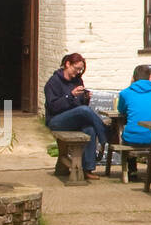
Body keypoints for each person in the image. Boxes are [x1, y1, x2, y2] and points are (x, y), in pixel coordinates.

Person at [44, 52, 108, 180]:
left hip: (73, 119)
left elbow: (80, 105)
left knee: (89, 128)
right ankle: (106, 136)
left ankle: (87, 169)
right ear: (67, 64)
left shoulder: (77, 80)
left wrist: (85, 98)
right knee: (84, 110)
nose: (78, 72)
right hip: (56, 120)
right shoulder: (53, 82)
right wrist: (71, 95)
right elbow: (53, 107)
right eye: (76, 68)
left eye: (80, 69)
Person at [117, 65, 151, 150]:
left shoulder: (125, 93)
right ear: (149, 77)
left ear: (134, 77)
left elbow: (121, 110)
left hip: (131, 138)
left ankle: (131, 163)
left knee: (121, 133)